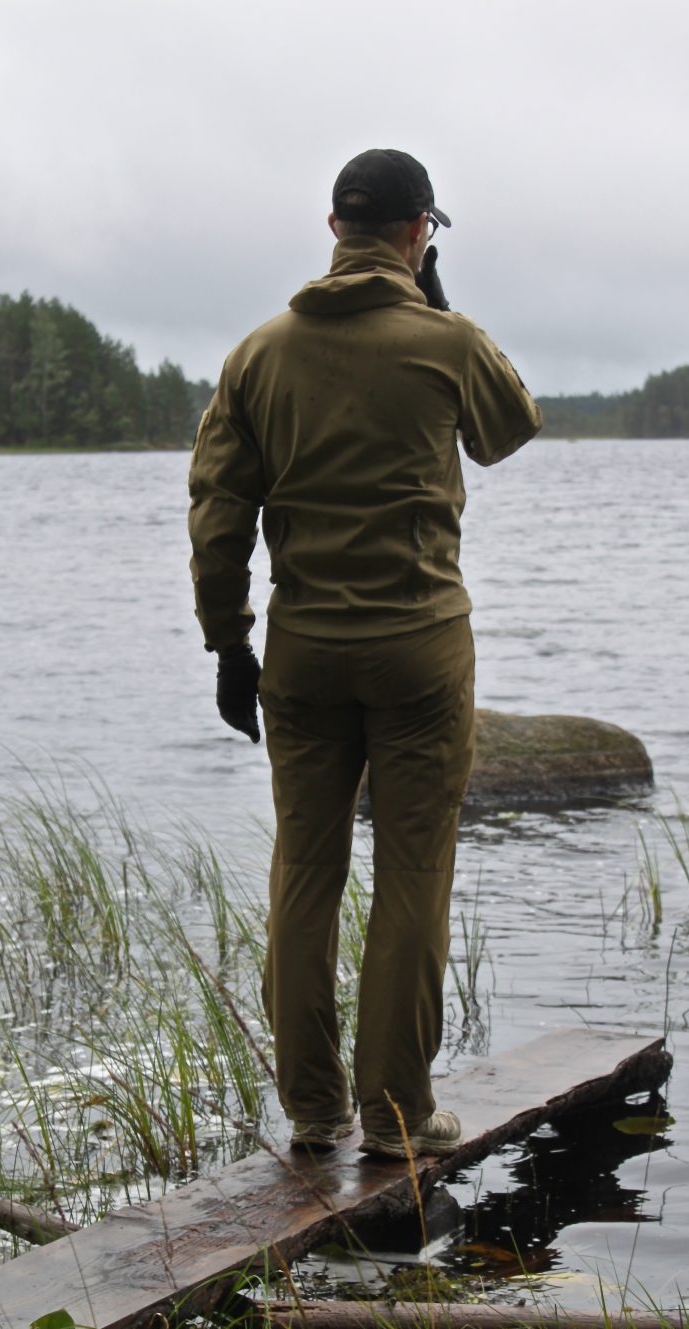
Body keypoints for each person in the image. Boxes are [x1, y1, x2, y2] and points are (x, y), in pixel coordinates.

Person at [187, 148, 541, 1161]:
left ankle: (313, 1111)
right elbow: (508, 428)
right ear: (415, 230)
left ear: (334, 229)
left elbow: (219, 512)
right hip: (422, 651)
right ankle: (394, 1118)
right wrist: (437, 299)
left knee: (306, 872)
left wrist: (227, 642)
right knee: (412, 874)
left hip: (301, 654)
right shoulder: (445, 341)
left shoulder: (259, 355)